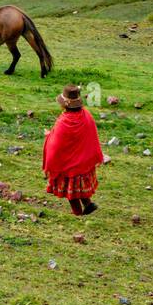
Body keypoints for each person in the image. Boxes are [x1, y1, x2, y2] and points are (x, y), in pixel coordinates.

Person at [41, 84, 105, 215]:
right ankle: (88, 204)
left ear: (65, 104)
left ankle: (77, 212)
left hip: (68, 165)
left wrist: (49, 135)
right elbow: (90, 136)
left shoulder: (64, 121)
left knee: (70, 188)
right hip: (83, 162)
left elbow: (57, 144)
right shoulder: (86, 115)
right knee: (79, 187)